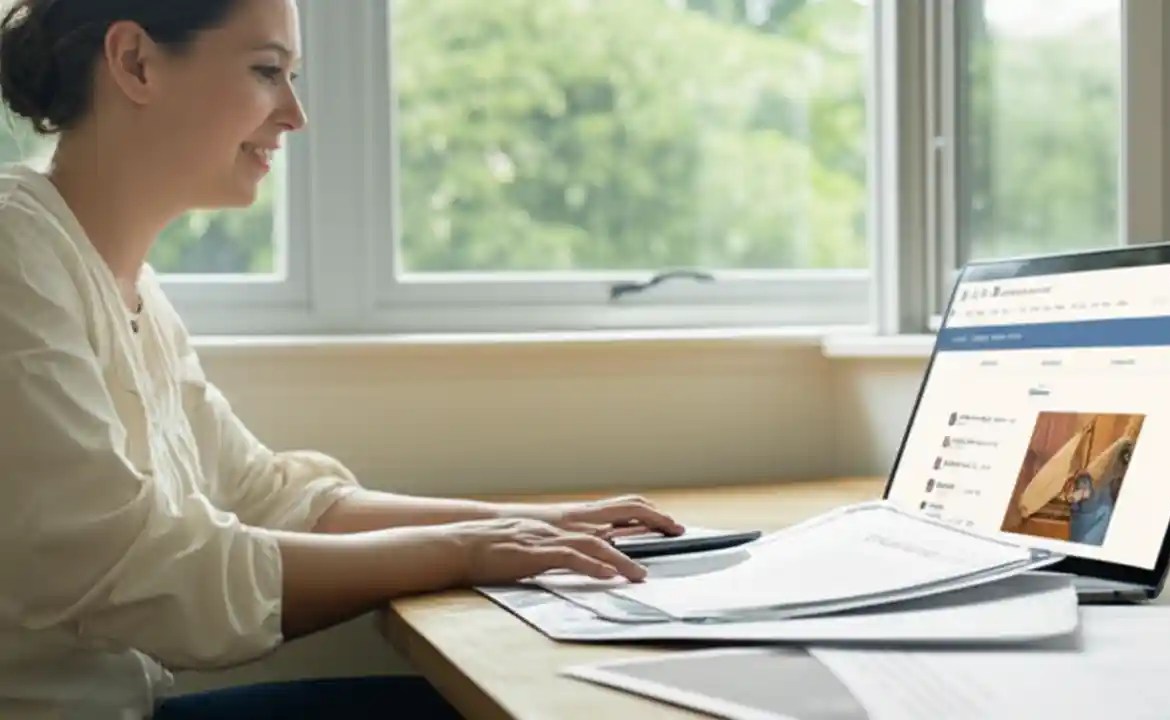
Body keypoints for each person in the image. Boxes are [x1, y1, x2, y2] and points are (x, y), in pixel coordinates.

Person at [0, 1, 686, 718]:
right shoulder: (16, 257)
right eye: (267, 72)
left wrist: (522, 524)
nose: (295, 114)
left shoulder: (122, 279)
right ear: (135, 63)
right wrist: (461, 549)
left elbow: (267, 497)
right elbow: (142, 571)